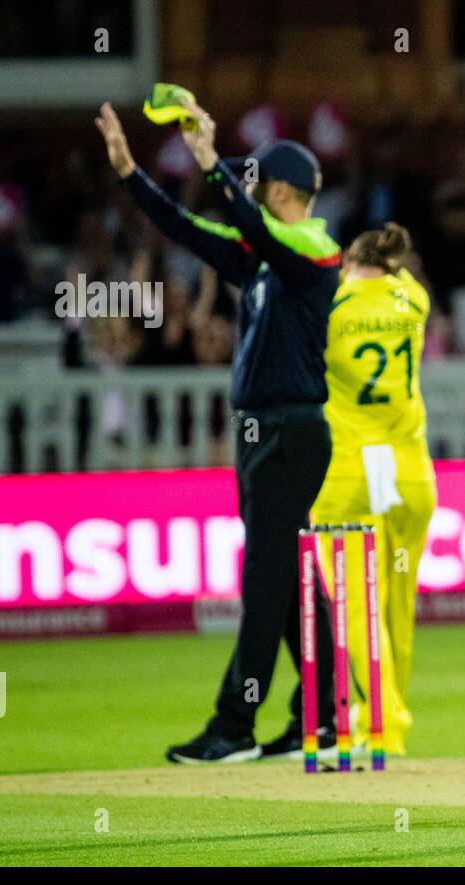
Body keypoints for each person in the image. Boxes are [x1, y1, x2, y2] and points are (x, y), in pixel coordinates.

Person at [95, 101, 343, 763]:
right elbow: (186, 227)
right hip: (263, 434)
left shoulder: (315, 251)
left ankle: (234, 725)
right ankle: (325, 714)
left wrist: (209, 163)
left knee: (264, 580)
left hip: (291, 432)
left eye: (258, 187)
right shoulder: (263, 262)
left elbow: (249, 226)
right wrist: (129, 175)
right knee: (284, 576)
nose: (247, 198)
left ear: (283, 192)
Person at [265, 223, 435, 760]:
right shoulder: (414, 298)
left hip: (347, 470)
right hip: (409, 469)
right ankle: (390, 723)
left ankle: (384, 716)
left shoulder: (331, 302)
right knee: (396, 605)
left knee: (356, 609)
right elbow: (396, 276)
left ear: (346, 266)